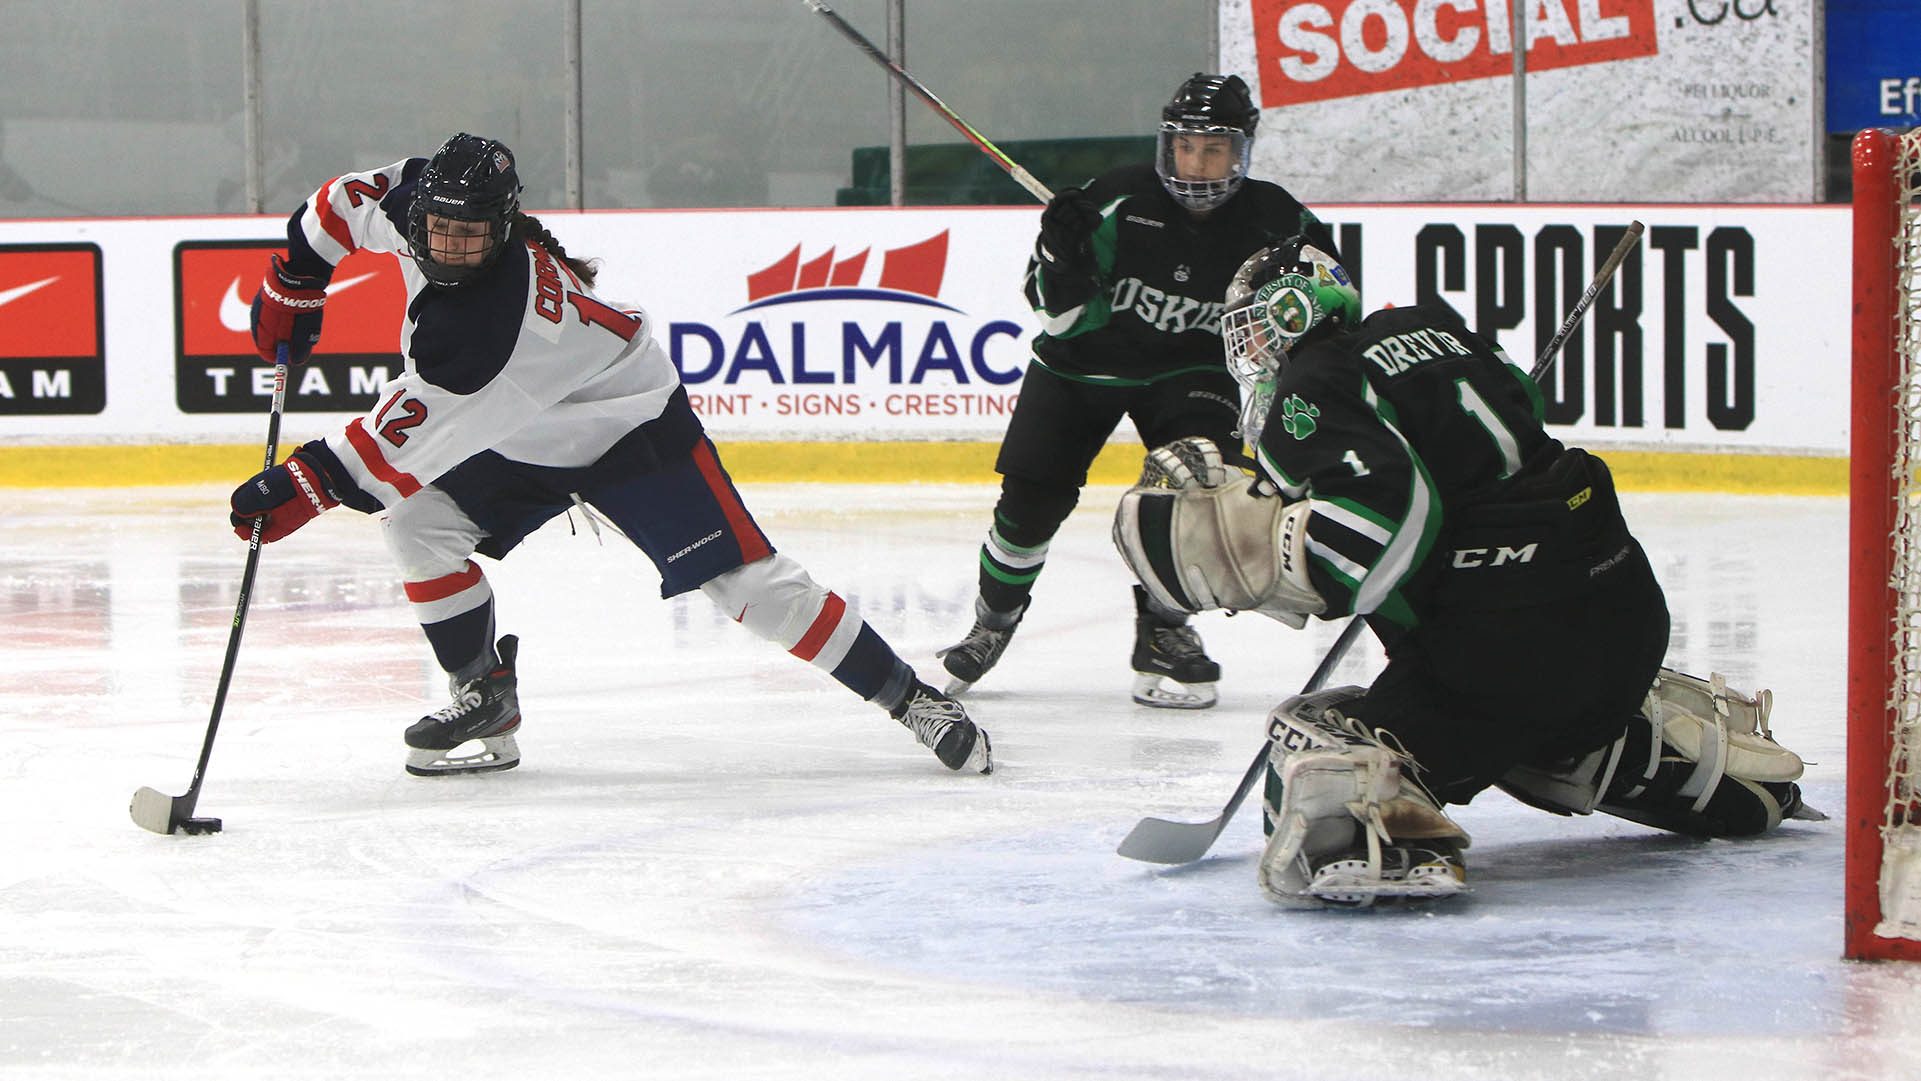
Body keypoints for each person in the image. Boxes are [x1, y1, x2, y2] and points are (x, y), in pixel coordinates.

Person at [231, 132, 991, 778]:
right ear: (420, 209)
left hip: (624, 427)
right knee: (416, 523)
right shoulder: (413, 204)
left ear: (504, 227)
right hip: (512, 432)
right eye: (438, 231)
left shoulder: (498, 325)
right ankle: (484, 697)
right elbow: (335, 205)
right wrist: (296, 282)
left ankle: (911, 697)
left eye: (471, 237)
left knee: (749, 586)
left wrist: (302, 483)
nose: (451, 249)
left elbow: (387, 446)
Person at [1112, 237, 1815, 907]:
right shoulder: (1429, 324)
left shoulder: (1309, 387)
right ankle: (1693, 771)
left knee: (1315, 734)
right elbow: (1522, 404)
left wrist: (1278, 569)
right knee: (1547, 708)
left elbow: (1387, 519)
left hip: (1495, 660)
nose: (1249, 349)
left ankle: (1381, 839)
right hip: (1626, 625)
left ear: (1287, 311)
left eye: (1252, 329)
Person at [937, 73, 1340, 710]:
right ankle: (992, 623)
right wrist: (1060, 254)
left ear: (1242, 153)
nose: (1198, 164)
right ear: (1166, 146)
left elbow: (1324, 309)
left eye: (1214, 149)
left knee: (1198, 491)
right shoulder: (1114, 201)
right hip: (1081, 366)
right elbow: (1062, 320)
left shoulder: (1279, 221)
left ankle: (1163, 630)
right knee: (1030, 502)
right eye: (1187, 147)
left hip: (1193, 374)